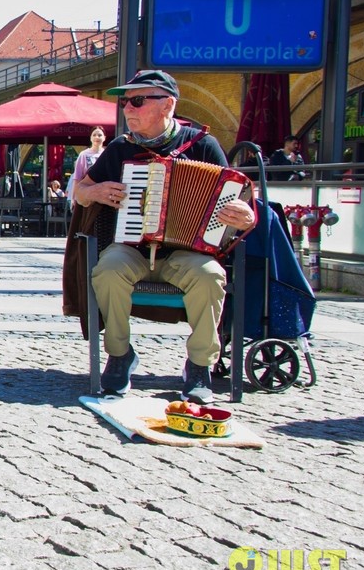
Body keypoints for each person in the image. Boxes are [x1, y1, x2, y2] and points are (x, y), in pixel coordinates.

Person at [73, 69, 256, 404]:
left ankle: (200, 366)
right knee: (107, 270)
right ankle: (120, 355)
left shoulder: (202, 145)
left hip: (186, 252)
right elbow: (80, 193)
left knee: (211, 276)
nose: (127, 108)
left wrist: (246, 217)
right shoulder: (119, 149)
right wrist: (96, 190)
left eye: (137, 100)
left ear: (167, 105)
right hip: (133, 248)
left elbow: (239, 205)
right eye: (125, 101)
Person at [67, 126, 106, 206]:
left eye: (99, 135)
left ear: (104, 138)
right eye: (94, 135)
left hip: (103, 195)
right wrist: (73, 198)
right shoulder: (83, 155)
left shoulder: (107, 154)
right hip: (86, 195)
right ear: (90, 138)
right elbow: (77, 178)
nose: (97, 137)